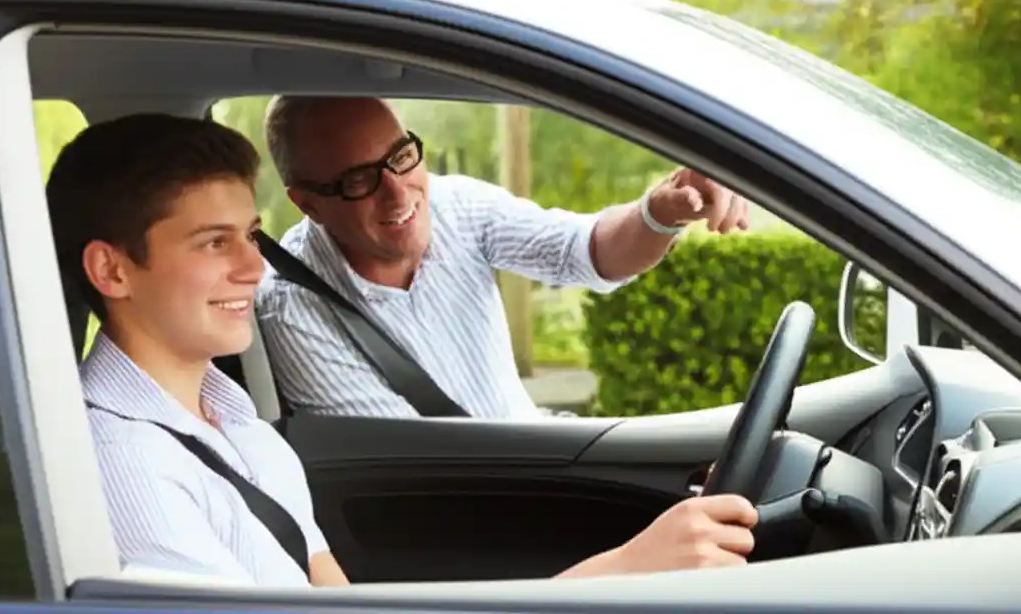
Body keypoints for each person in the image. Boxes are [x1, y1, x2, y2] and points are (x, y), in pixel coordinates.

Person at [46, 113, 757, 587]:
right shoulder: (125, 463)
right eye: (213, 244)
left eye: (249, 236)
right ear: (112, 270)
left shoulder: (230, 418)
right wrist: (620, 572)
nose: (254, 268)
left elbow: (340, 599)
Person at [256, 96, 751, 419]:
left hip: (527, 456)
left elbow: (584, 251)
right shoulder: (292, 308)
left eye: (401, 156)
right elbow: (421, 460)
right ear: (309, 203)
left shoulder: (458, 206)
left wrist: (661, 210)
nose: (398, 194)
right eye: (359, 180)